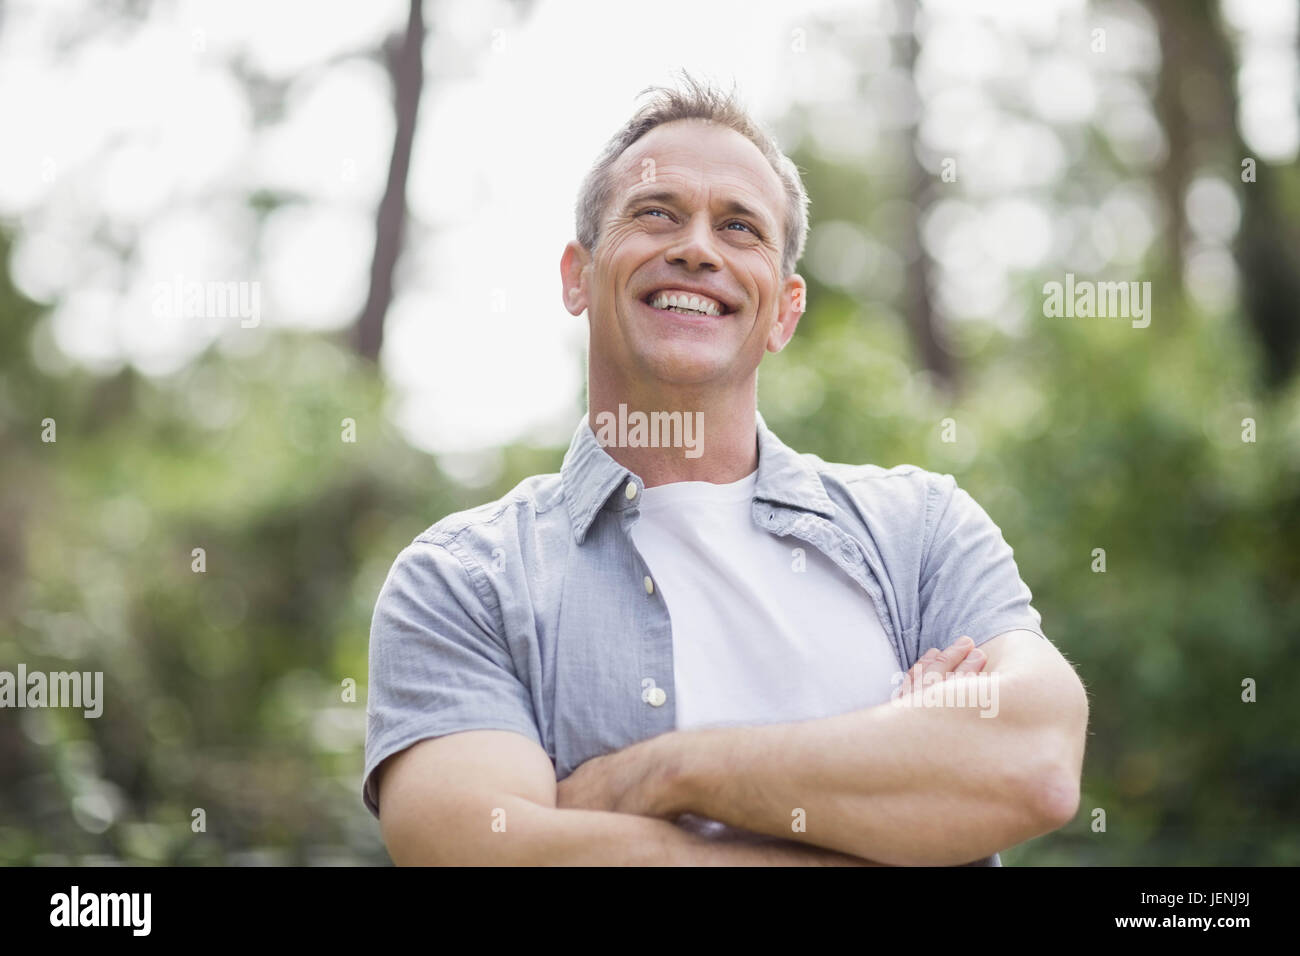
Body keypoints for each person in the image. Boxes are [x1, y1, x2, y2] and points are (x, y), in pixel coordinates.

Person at [362, 74, 1089, 866]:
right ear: (577, 275)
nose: (697, 248)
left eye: (740, 228)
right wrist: (892, 793)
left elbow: (1035, 765)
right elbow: (479, 852)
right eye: (655, 214)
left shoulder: (919, 531)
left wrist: (662, 773)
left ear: (783, 309)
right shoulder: (465, 581)